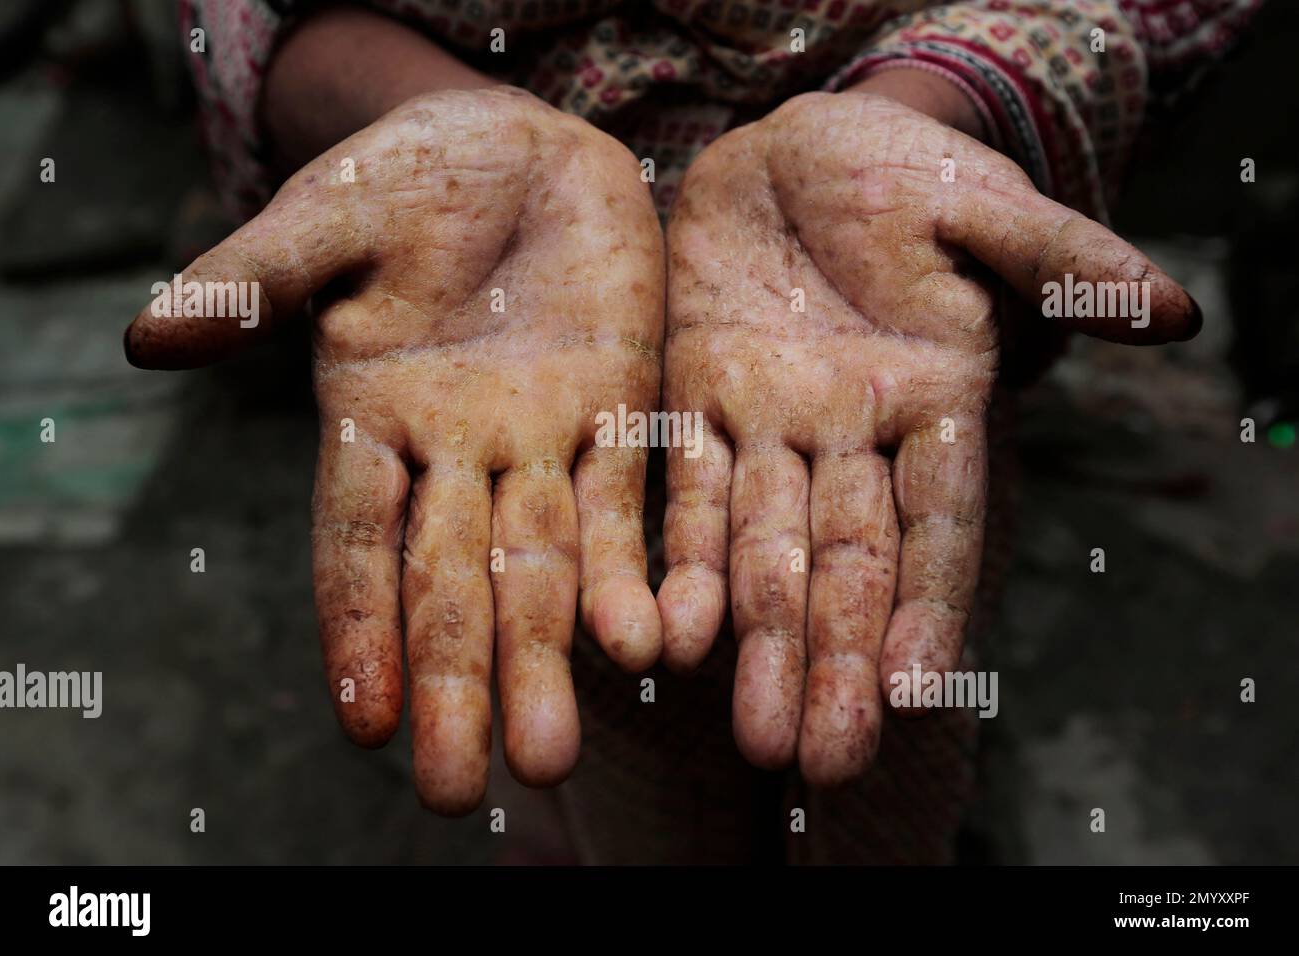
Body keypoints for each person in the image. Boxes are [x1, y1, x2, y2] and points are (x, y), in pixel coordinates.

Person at [125, 0, 1260, 863]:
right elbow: (248, 23)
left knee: (871, 708)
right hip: (495, 358)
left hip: (867, 338)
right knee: (586, 716)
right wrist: (411, 113)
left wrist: (921, 104)